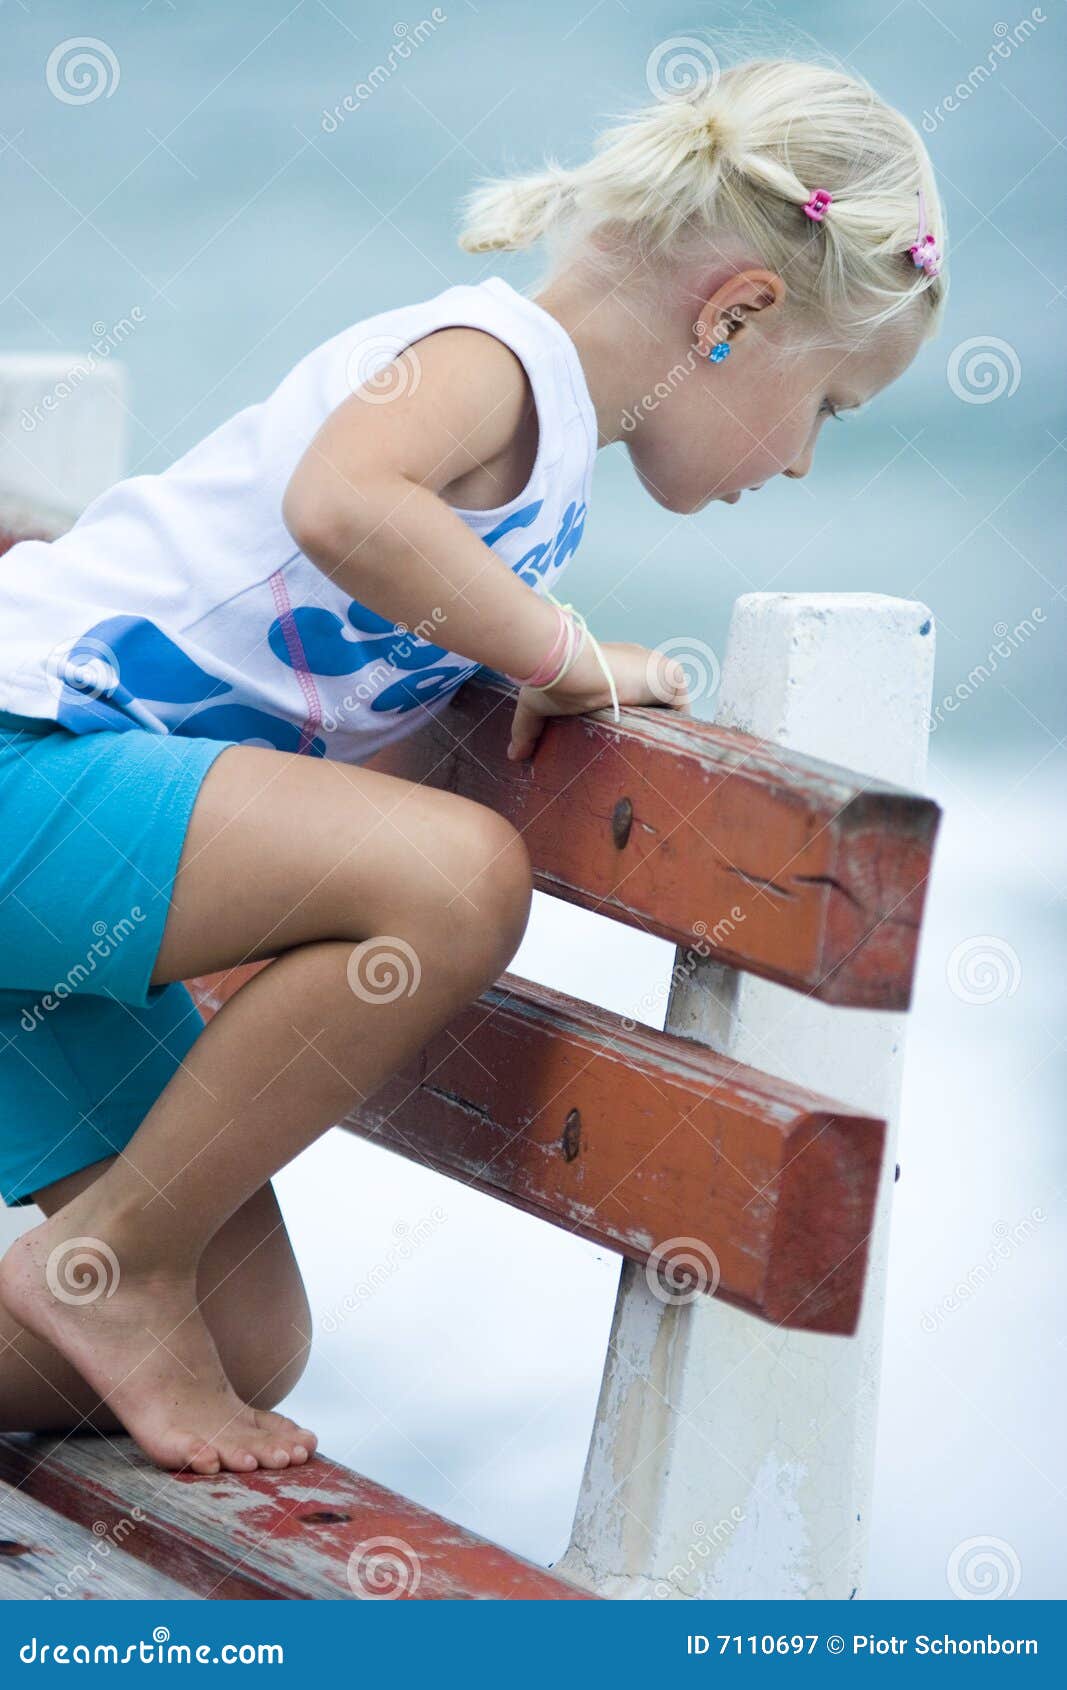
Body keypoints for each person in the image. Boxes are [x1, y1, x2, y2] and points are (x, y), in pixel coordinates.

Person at [0, 56, 946, 1475]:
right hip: (30, 772)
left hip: (75, 892)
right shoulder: (488, 364)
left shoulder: (543, 463)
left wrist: (498, 649)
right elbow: (339, 498)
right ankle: (115, 1259)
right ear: (740, 315)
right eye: (834, 407)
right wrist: (555, 652)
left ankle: (126, 1269)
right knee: (457, 881)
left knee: (250, 1334)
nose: (807, 463)